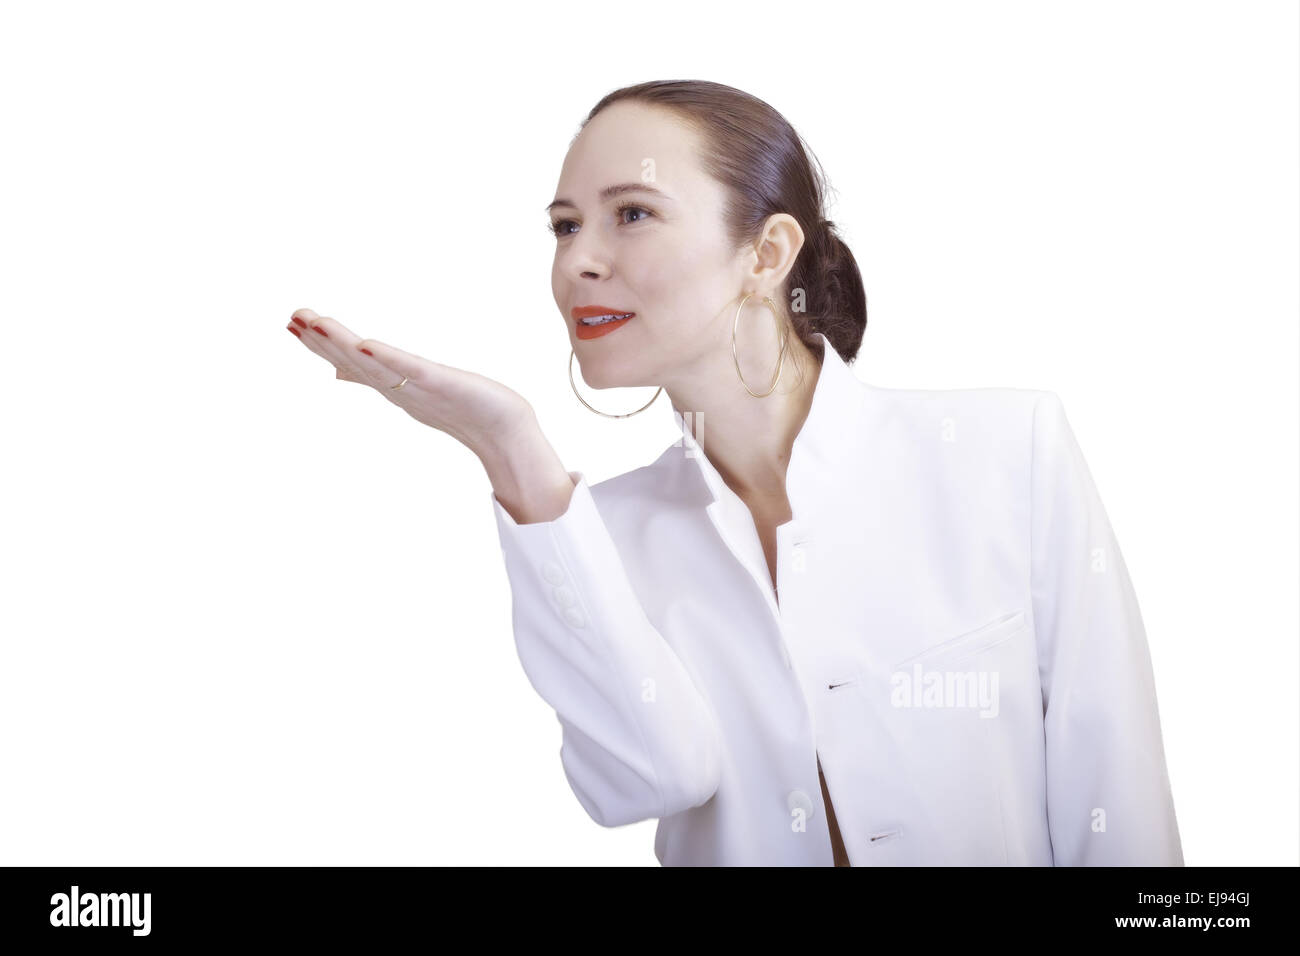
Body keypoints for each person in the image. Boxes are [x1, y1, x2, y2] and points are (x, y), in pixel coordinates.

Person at [285, 79, 1183, 867]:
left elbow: (1120, 798)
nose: (577, 262)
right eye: (564, 227)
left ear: (766, 252)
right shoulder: (595, 532)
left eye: (630, 213)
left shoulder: (1007, 452)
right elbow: (647, 778)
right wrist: (511, 450)